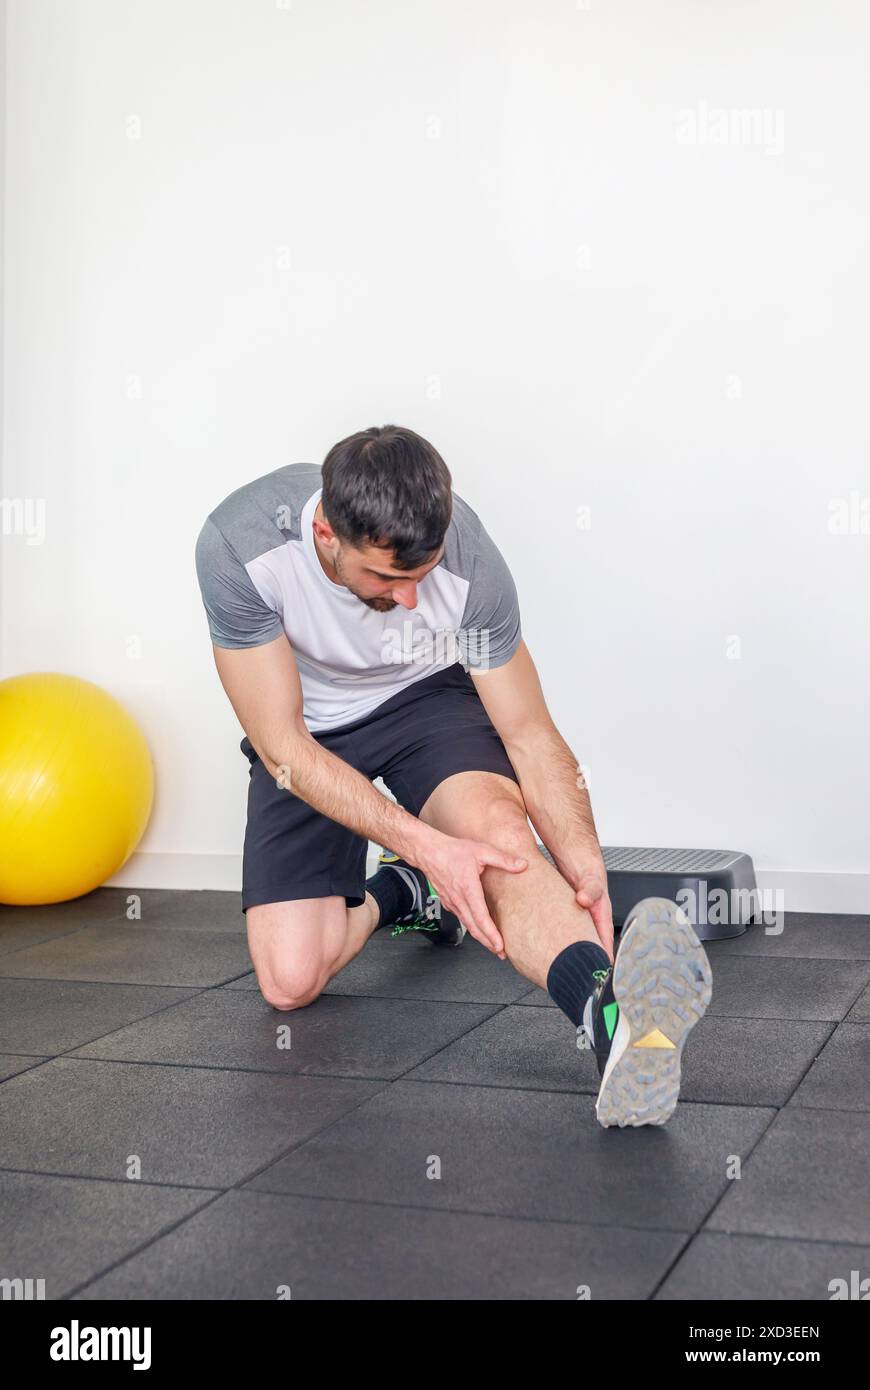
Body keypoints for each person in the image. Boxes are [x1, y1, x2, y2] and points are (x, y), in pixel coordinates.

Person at [194, 423, 711, 1127]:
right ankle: (408, 891)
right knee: (290, 981)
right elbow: (281, 743)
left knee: (499, 835)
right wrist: (424, 850)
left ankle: (611, 1018)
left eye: (422, 576)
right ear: (325, 532)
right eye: (385, 577)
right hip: (307, 730)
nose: (409, 600)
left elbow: (529, 733)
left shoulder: (471, 559)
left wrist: (581, 856)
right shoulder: (240, 546)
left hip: (423, 700)